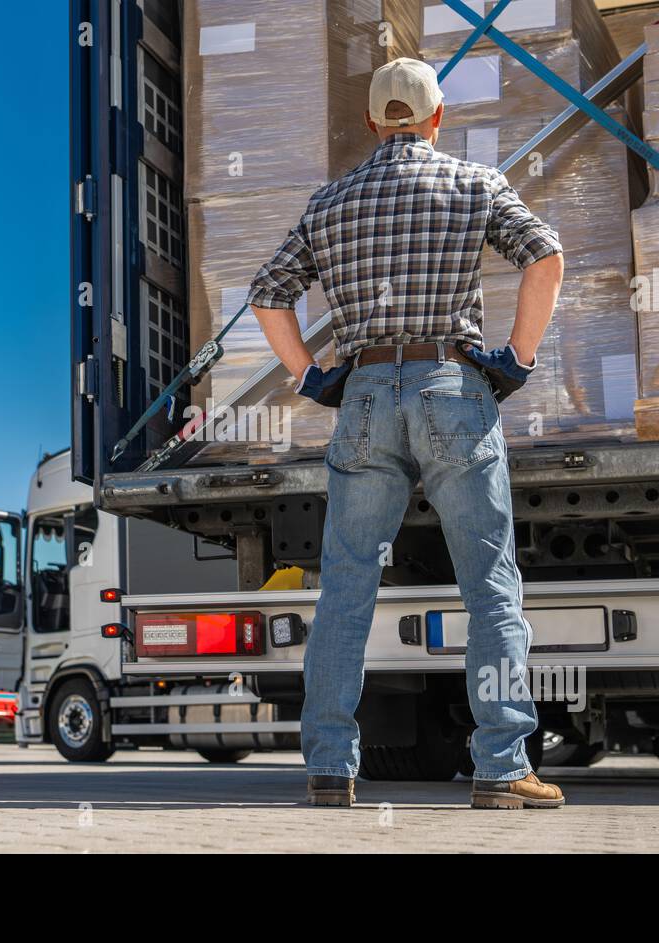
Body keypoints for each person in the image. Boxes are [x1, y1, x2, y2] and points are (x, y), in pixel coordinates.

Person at [246, 58, 567, 810]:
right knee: (489, 586)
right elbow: (547, 258)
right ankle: (500, 766)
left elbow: (267, 296)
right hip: (451, 387)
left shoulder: (330, 203)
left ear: (369, 123)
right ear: (436, 117)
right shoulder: (473, 184)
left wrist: (311, 375)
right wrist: (515, 362)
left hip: (362, 396)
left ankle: (330, 766)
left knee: (346, 587)